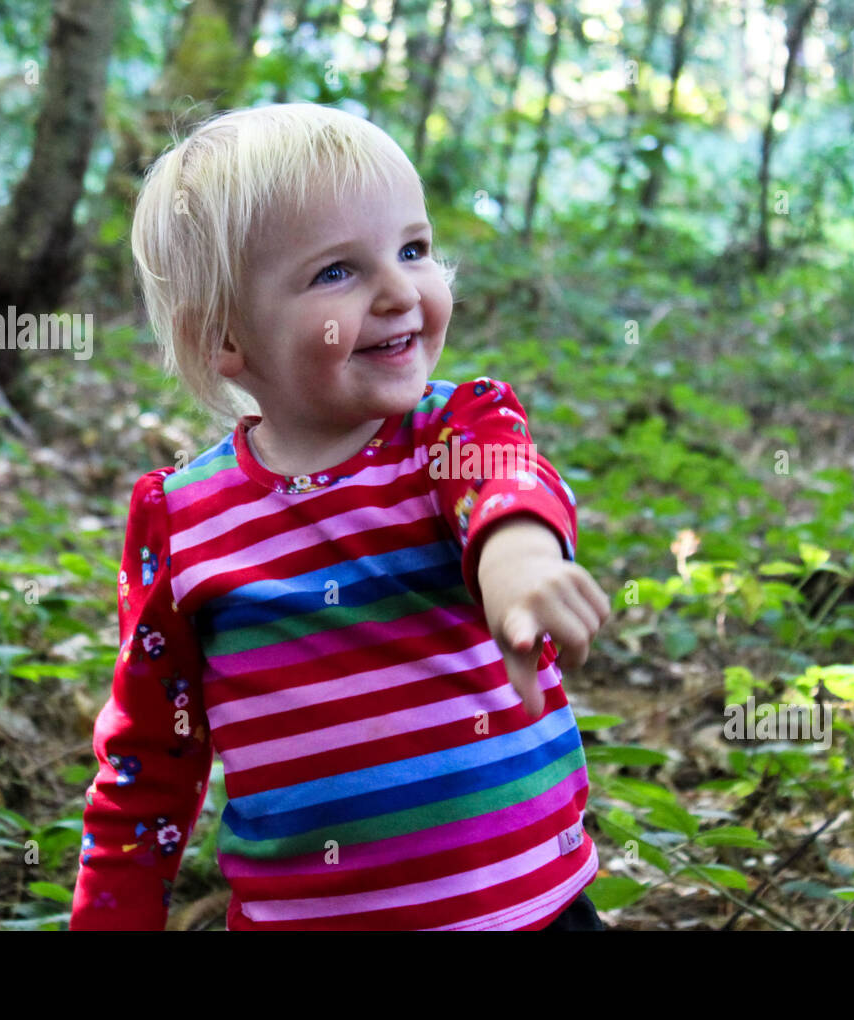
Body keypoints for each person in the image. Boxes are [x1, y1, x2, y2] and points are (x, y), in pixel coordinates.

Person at [69, 102, 612, 931]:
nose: (399, 291)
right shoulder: (181, 521)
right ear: (225, 337)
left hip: (527, 910)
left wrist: (518, 563)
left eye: (413, 249)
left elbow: (503, 483)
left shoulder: (451, 429)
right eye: (336, 272)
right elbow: (151, 757)